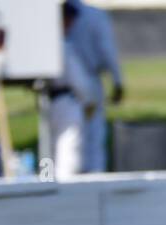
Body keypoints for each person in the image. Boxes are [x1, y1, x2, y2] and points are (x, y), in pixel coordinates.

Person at [66, 0, 123, 173]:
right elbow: (107, 50)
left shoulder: (67, 13)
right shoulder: (95, 15)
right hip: (84, 82)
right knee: (91, 140)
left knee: (70, 140)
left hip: (64, 86)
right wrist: (117, 81)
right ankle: (91, 180)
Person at [50, 2, 100, 180]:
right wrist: (89, 101)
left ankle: (54, 180)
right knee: (69, 149)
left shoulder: (52, 44)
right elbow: (79, 81)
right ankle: (67, 184)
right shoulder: (63, 46)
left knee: (54, 148)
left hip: (52, 100)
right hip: (66, 100)